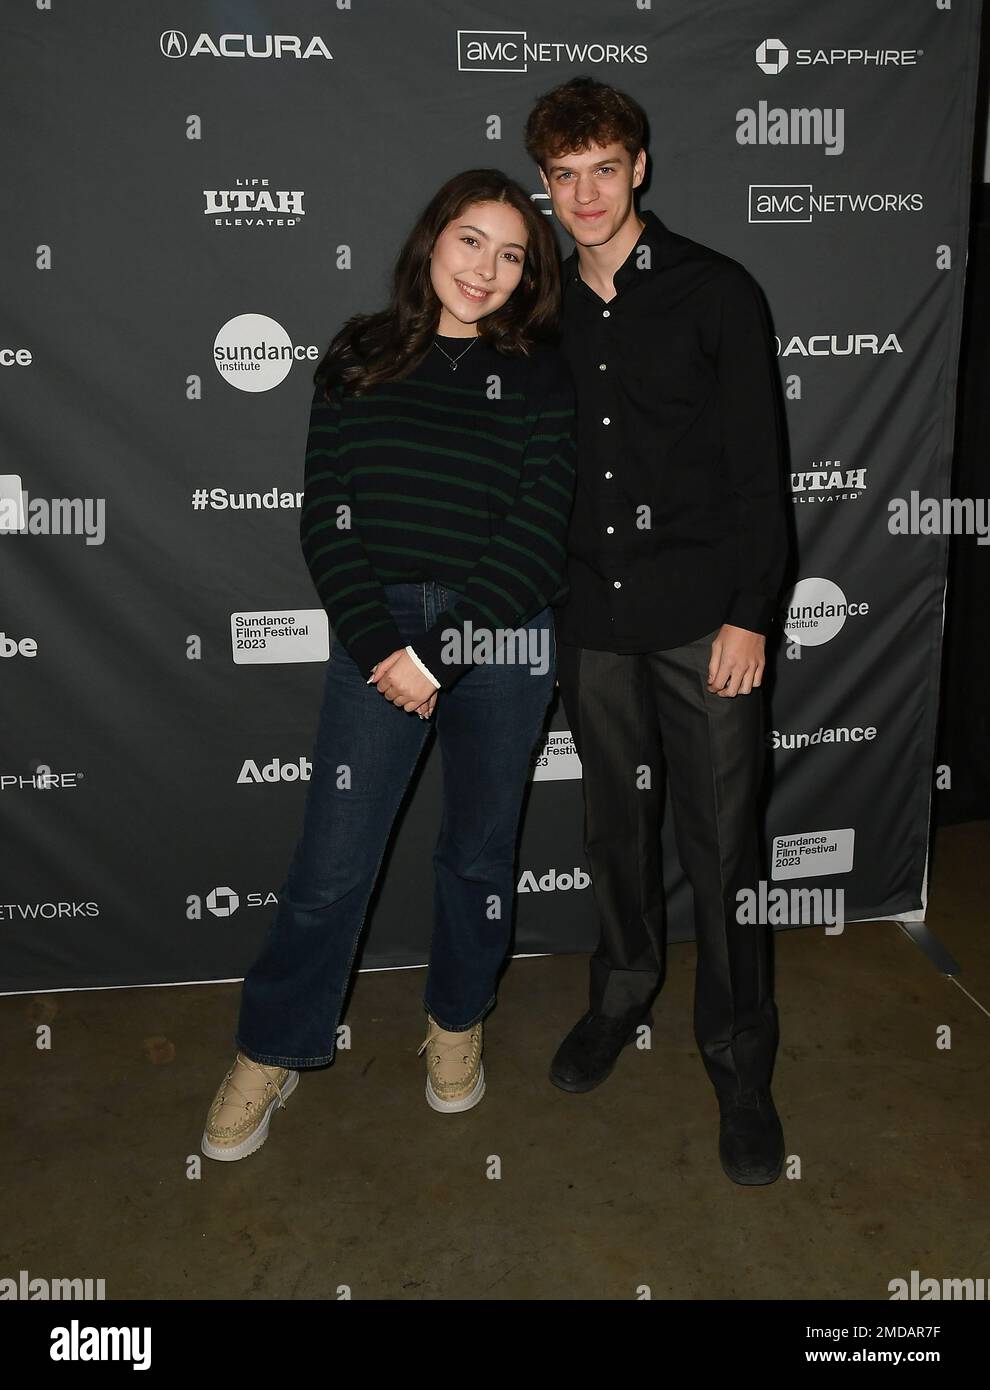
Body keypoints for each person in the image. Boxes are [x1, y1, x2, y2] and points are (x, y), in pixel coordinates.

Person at [201, 169, 577, 1162]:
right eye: (470, 241)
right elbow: (326, 519)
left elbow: (542, 535)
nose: (487, 269)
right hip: (380, 632)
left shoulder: (542, 369)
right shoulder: (360, 352)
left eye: (511, 254)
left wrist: (442, 656)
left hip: (501, 636)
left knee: (478, 852)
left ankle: (455, 1024)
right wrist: (387, 650)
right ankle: (274, 1046)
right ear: (432, 241)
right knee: (330, 866)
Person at [524, 77, 790, 1185]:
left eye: (602, 168)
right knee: (614, 838)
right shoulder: (538, 312)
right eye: (562, 175)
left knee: (723, 850)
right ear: (547, 188)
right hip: (592, 621)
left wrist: (749, 614)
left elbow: (761, 475)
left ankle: (738, 1065)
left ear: (640, 168)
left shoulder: (716, 292)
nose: (584, 193)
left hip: (702, 623)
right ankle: (620, 998)